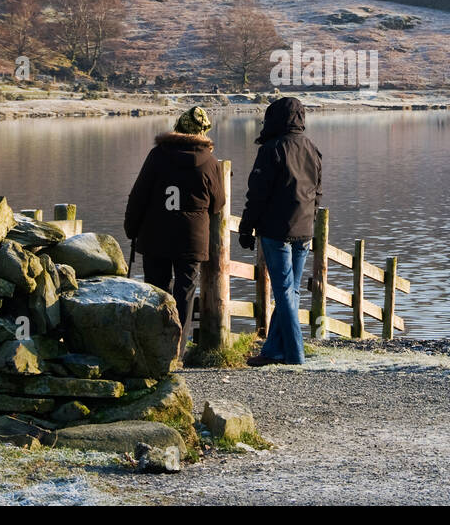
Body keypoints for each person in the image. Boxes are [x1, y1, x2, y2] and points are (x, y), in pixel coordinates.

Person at [124, 106, 225, 350]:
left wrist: (131, 229)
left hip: (155, 235)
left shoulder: (157, 155)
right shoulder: (210, 163)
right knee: (185, 293)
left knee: (157, 290)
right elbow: (219, 203)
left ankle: (154, 346)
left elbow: (139, 196)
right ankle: (177, 349)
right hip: (191, 239)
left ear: (178, 127)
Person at [237, 96, 323, 367]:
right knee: (291, 290)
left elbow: (258, 194)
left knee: (285, 291)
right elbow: (317, 192)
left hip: (276, 231)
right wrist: (310, 218)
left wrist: (246, 226)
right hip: (304, 229)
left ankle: (296, 354)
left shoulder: (272, 149)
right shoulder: (312, 148)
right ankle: (273, 351)